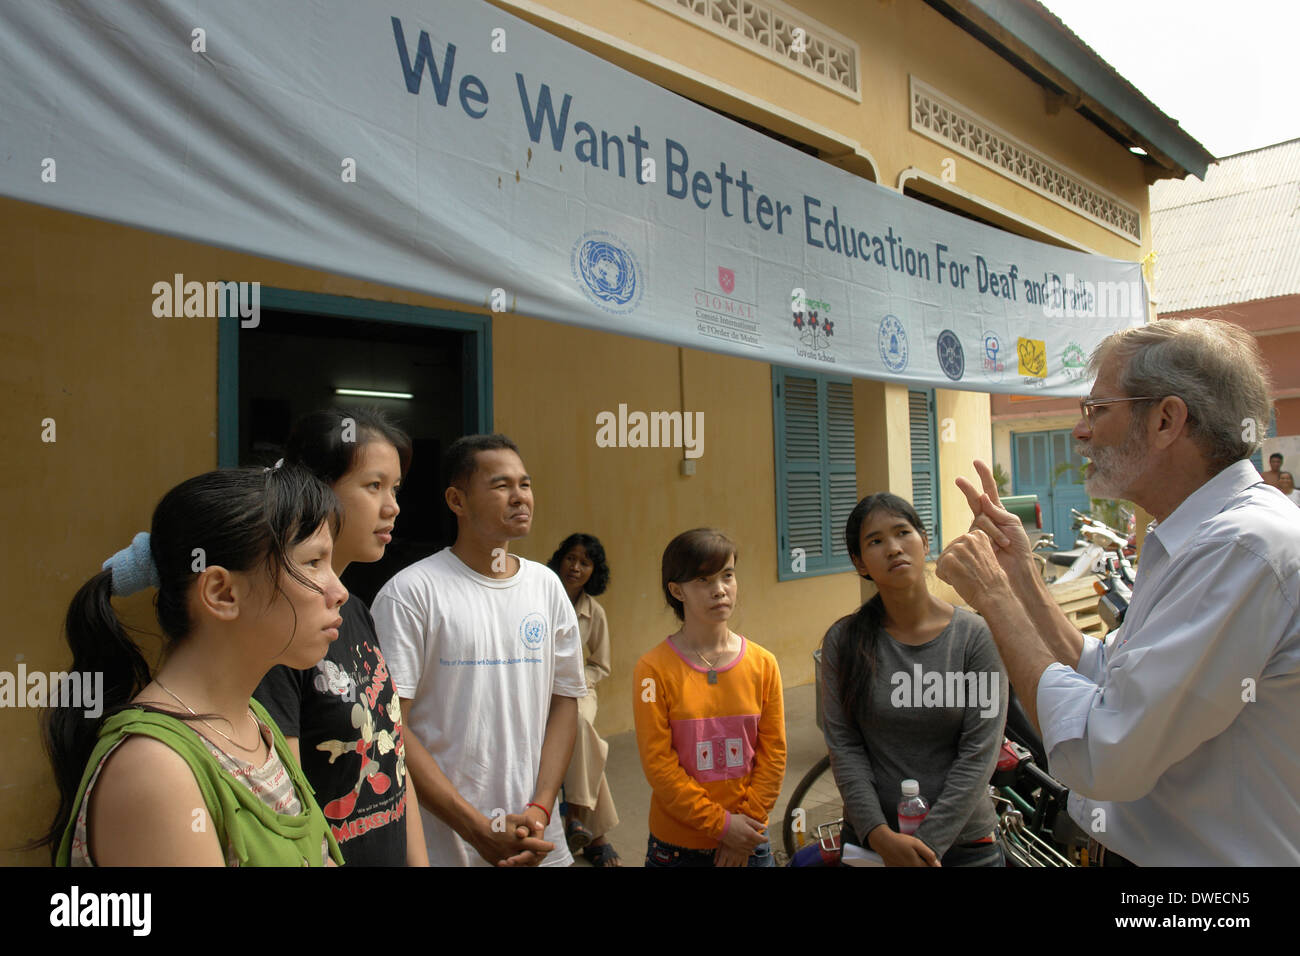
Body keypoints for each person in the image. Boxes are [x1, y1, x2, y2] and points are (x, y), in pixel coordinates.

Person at [937, 317, 1300, 865]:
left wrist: (994, 599)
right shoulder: (1201, 533)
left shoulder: (1241, 546)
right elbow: (1109, 673)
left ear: (1165, 420)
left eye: (1098, 410)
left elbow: (1103, 751)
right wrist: (1021, 578)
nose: (1081, 431)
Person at [40, 466, 348, 866]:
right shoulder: (156, 769)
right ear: (221, 592)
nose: (339, 591)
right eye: (312, 563)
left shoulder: (253, 721)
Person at [371, 434, 586, 866]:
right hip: (444, 845)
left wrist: (541, 808)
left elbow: (565, 703)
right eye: (501, 485)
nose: (520, 497)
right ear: (457, 500)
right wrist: (476, 829)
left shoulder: (547, 588)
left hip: (539, 838)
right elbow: (392, 727)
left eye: (525, 484)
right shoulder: (411, 594)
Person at [254, 409, 428, 865]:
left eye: (395, 489)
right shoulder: (282, 635)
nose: (391, 506)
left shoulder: (355, 610)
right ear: (317, 490)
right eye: (374, 486)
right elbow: (288, 811)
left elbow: (394, 757)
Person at [820, 493, 1007, 867]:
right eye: (875, 541)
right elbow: (844, 746)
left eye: (902, 533)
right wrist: (879, 834)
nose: (893, 548)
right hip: (874, 846)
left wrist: (927, 846)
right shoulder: (844, 641)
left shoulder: (975, 637)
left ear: (925, 540)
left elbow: (979, 751)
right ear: (859, 562)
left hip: (965, 847)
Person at [633, 529, 786, 867]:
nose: (720, 590)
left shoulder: (763, 664)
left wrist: (742, 830)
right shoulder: (652, 670)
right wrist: (722, 826)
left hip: (749, 839)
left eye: (727, 576)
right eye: (703, 580)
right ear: (677, 591)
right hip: (676, 849)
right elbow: (659, 766)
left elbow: (773, 754)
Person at [547, 533, 621, 866]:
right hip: (540, 688)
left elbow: (601, 664)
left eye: (585, 562)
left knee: (576, 724)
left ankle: (575, 815)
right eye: (571, 558)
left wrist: (579, 682)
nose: (576, 567)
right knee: (585, 743)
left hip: (580, 690)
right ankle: (593, 834)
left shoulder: (596, 613)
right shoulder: (541, 597)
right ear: (561, 559)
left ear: (595, 571)